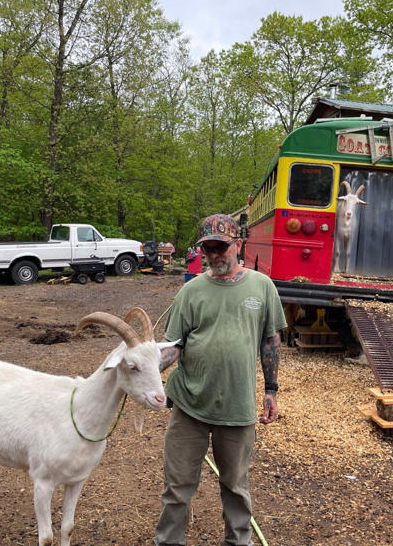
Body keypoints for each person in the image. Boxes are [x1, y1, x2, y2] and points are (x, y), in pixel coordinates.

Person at [153, 213, 286, 546]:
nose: (214, 255)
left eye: (220, 247)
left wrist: (271, 391)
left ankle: (238, 542)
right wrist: (147, 369)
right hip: (189, 405)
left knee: (236, 486)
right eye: (207, 248)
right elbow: (174, 345)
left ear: (238, 244)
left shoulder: (262, 286)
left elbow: (270, 339)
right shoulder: (191, 291)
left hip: (237, 406)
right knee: (177, 486)